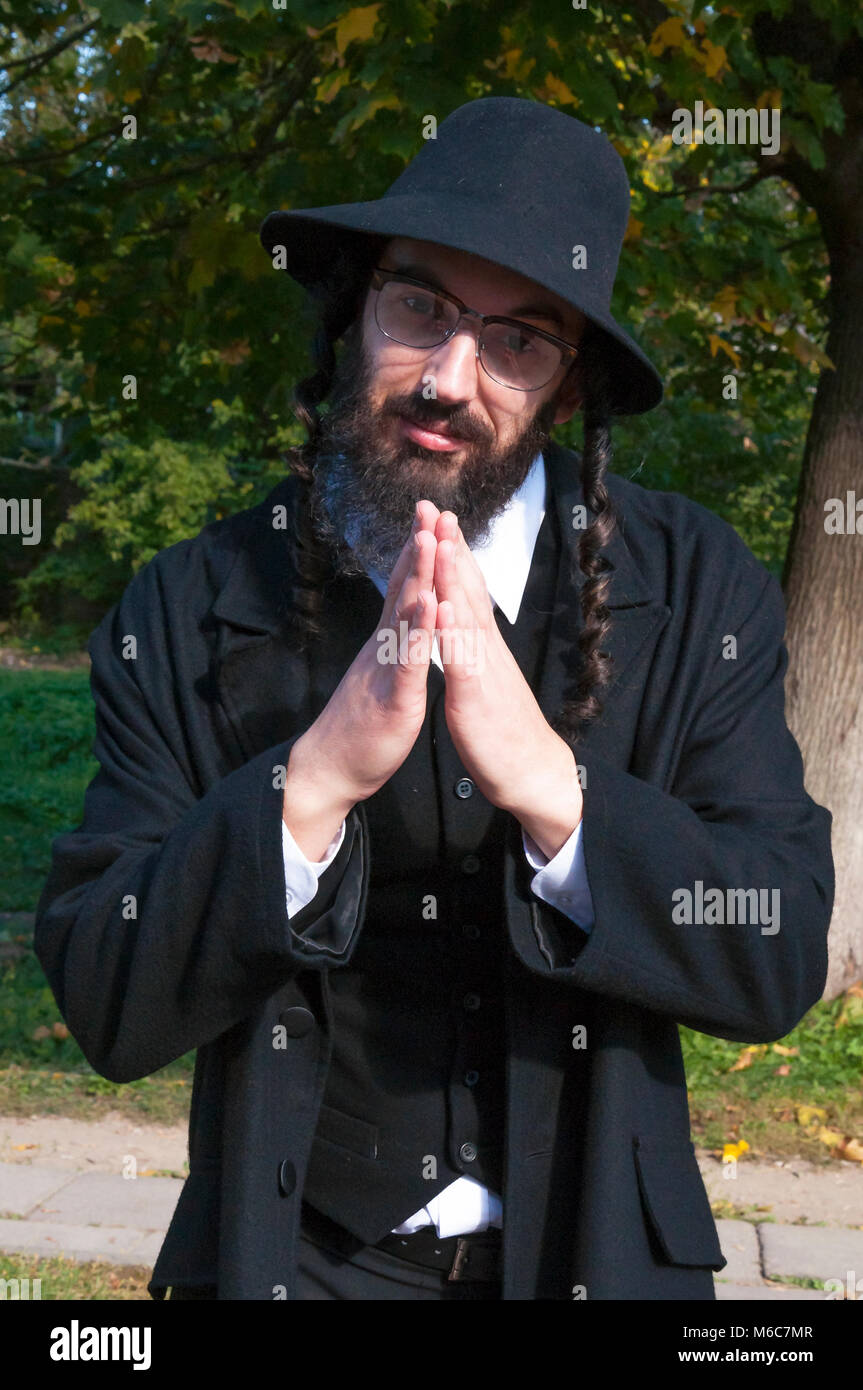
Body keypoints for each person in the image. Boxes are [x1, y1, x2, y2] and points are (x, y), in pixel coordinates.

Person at [34, 97, 833, 1301]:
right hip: (291, 1260)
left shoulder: (698, 586)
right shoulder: (188, 603)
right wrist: (308, 788)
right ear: (356, 307)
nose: (451, 378)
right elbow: (106, 989)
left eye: (517, 339)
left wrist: (557, 796)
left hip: (596, 1261)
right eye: (421, 307)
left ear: (565, 388)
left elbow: (770, 950)